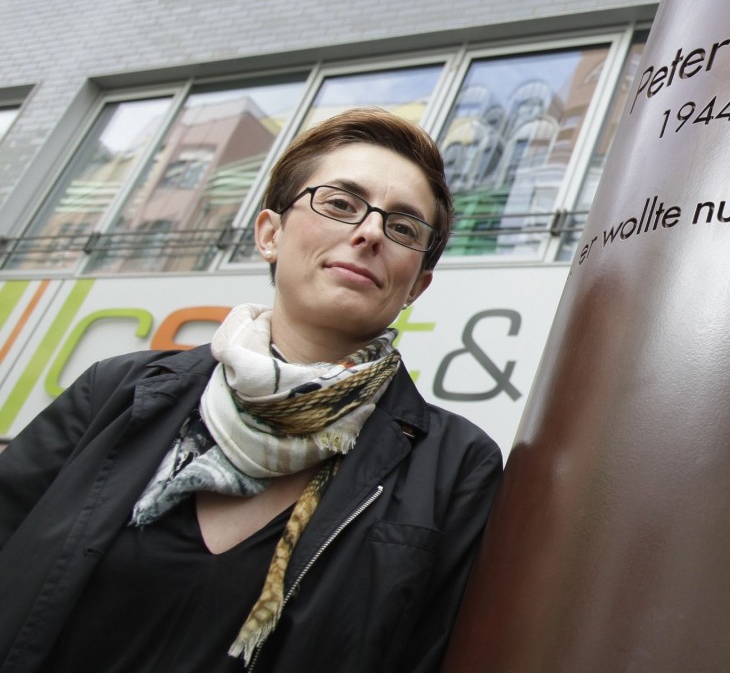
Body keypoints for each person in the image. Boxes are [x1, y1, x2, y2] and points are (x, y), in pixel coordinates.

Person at [0, 108, 503, 673]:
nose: (368, 233)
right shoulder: (117, 391)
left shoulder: (457, 466)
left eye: (404, 228)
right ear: (270, 234)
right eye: (341, 204)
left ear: (417, 286)